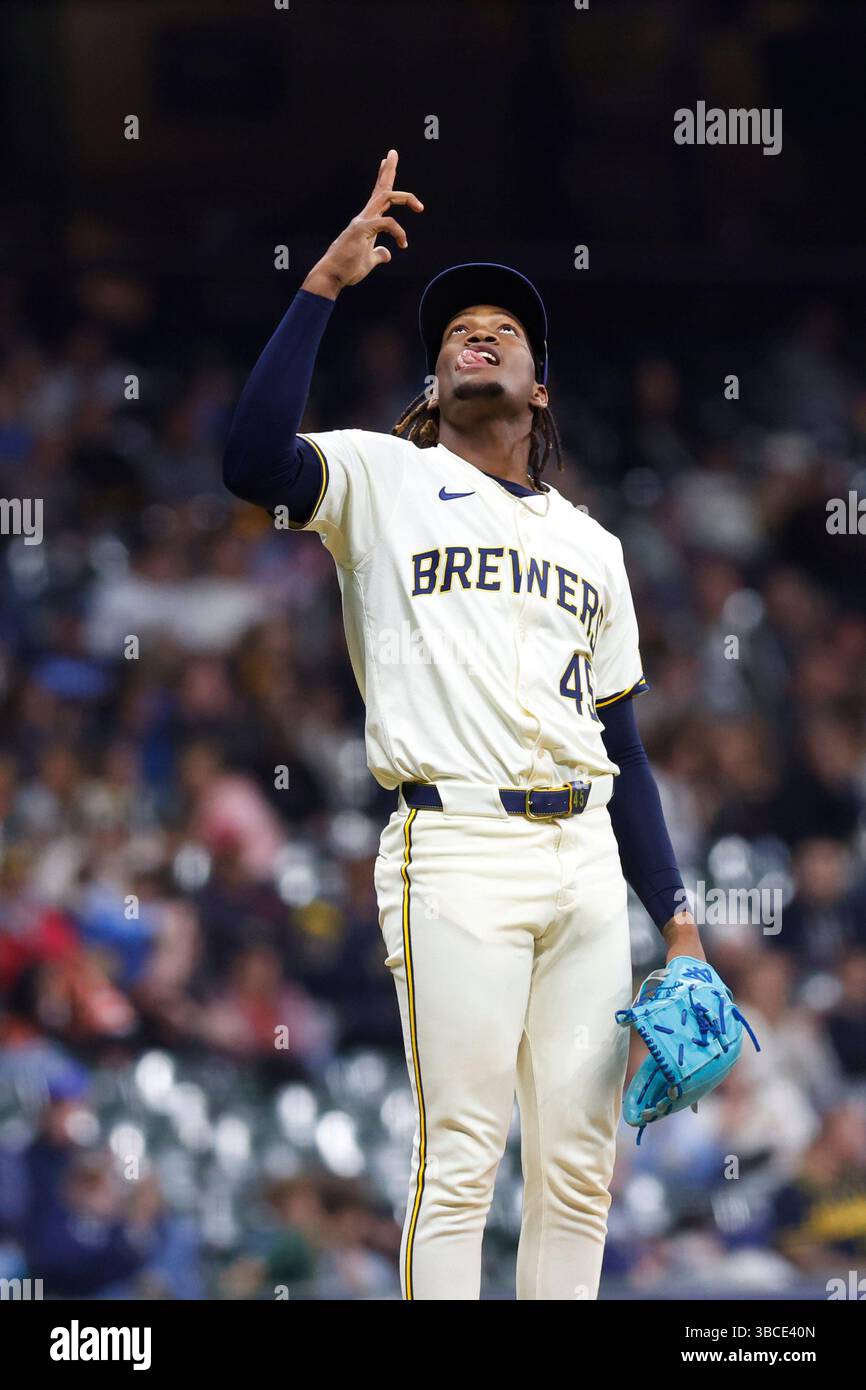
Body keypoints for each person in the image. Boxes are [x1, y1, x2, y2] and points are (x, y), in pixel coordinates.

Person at [223, 150, 705, 1301]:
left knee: (580, 1172)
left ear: (540, 388)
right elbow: (249, 462)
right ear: (434, 380)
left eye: (501, 330)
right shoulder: (381, 476)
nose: (474, 335)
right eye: (456, 331)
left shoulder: (593, 545)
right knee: (459, 1166)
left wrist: (678, 921)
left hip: (583, 859)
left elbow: (623, 752)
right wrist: (322, 287)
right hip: (455, 846)